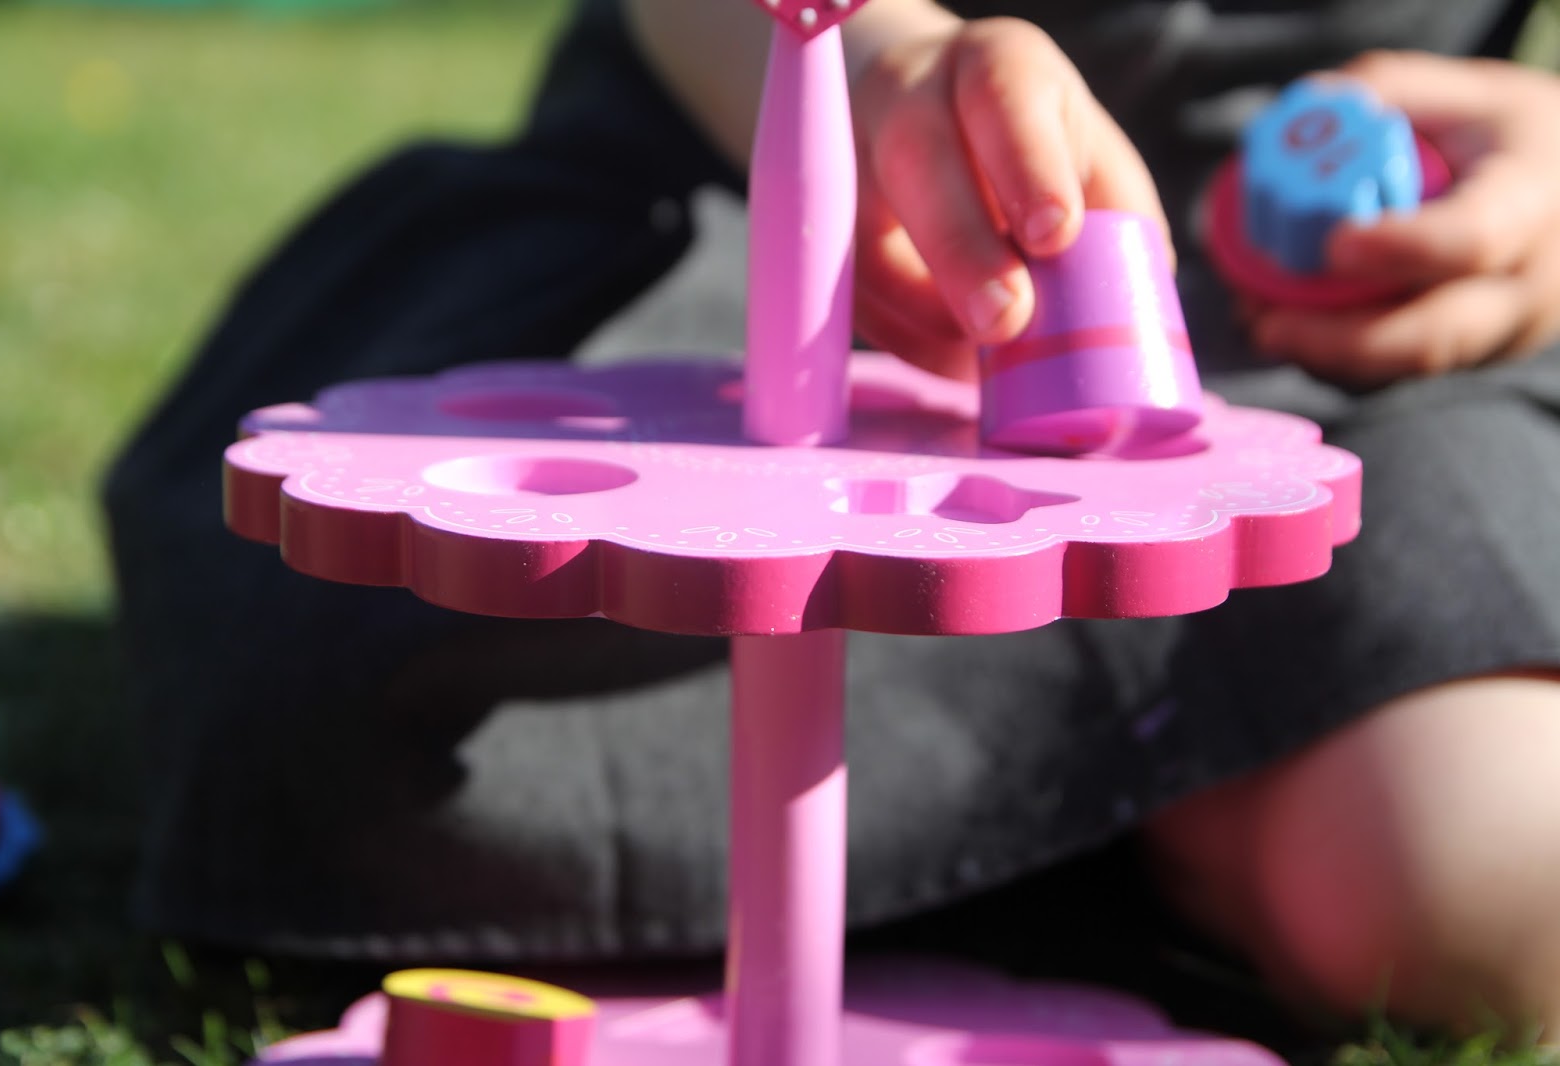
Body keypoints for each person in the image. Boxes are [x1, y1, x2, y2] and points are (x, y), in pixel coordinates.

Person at [102, 0, 1560, 1041]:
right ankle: (1137, 776)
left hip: (1332, 356)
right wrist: (865, 58)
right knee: (366, 663)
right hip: (760, 244)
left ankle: (1095, 781)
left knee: (1479, 874)